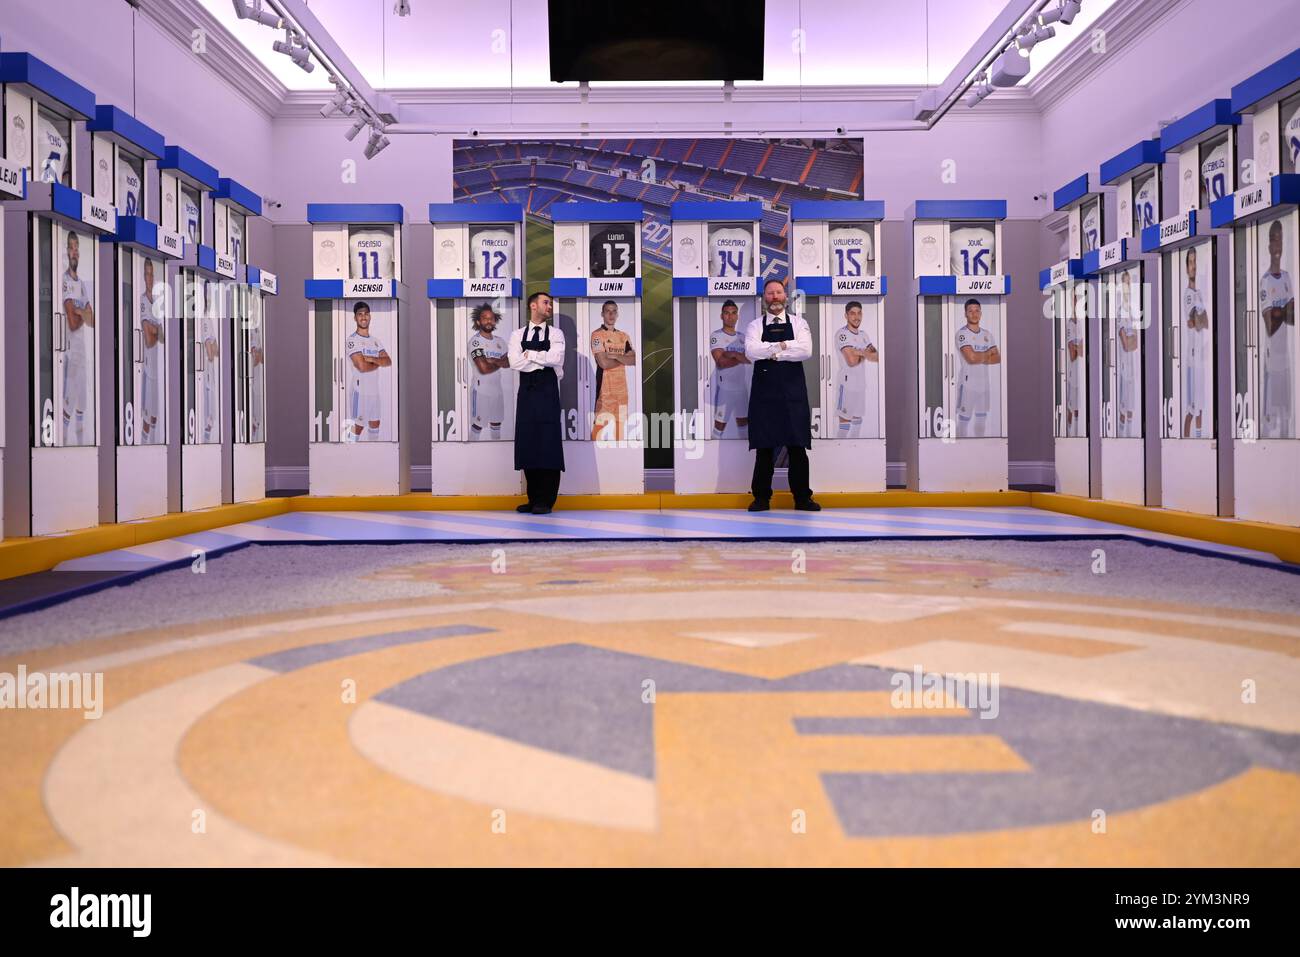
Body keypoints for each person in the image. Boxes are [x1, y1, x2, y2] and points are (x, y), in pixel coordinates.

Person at [745, 277, 819, 512]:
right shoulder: (754, 326)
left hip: (793, 394)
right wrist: (785, 347)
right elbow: (751, 351)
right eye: (770, 293)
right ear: (764, 298)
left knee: (797, 447)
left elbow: (805, 350)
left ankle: (802, 498)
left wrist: (773, 352)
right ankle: (761, 498)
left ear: (786, 297)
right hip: (764, 396)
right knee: (764, 448)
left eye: (778, 292)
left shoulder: (799, 323)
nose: (775, 297)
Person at [509, 292, 566, 514]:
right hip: (527, 397)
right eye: (546, 302)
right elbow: (514, 362)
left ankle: (546, 500)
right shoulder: (516, 334)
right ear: (533, 306)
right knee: (529, 444)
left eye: (550, 303)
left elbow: (557, 359)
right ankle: (533, 499)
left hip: (548, 395)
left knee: (548, 445)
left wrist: (530, 354)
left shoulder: (556, 333)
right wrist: (542, 360)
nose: (549, 306)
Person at [1260, 219, 1295, 438]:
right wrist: (1284, 310)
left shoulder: (1287, 278)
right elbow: (1270, 325)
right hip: (1271, 362)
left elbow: (1293, 318)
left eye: (1280, 239)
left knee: (1287, 417)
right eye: (1274, 239)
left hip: (1287, 361)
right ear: (1269, 246)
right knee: (1271, 421)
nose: (1277, 245)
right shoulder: (1265, 281)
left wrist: (1278, 311)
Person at [345, 301, 391, 441]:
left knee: (375, 423)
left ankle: (373, 457)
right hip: (359, 392)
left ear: (370, 316)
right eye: (360, 314)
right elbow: (362, 367)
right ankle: (347, 455)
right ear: (355, 318)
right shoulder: (352, 340)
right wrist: (378, 361)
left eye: (366, 314)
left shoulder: (375, 341)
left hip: (374, 392)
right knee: (356, 427)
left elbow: (388, 361)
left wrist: (371, 358)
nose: (363, 317)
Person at [955, 298, 1000, 438]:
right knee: (963, 422)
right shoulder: (962, 334)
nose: (974, 314)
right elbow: (971, 358)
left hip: (984, 386)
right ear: (965, 314)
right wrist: (987, 354)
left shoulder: (987, 335)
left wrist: (978, 355)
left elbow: (997, 358)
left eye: (977, 311)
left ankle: (979, 452)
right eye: (970, 311)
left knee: (981, 421)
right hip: (967, 385)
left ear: (981, 313)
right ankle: (961, 450)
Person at [590, 300, 635, 440]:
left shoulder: (624, 336)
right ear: (602, 314)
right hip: (604, 391)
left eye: (614, 311)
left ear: (617, 314)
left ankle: (619, 462)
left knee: (619, 435)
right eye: (608, 311)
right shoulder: (597, 335)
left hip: (621, 392)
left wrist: (614, 355)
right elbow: (603, 363)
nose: (611, 314)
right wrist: (622, 358)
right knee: (597, 435)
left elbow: (633, 360)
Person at [834, 300, 878, 438]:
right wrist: (865, 353)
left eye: (859, 313)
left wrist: (857, 351)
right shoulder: (842, 334)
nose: (856, 317)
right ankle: (840, 453)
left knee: (858, 421)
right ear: (846, 315)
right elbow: (851, 361)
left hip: (860, 385)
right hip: (846, 386)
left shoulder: (864, 335)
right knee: (845, 424)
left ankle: (854, 455)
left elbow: (876, 356)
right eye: (852, 313)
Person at [468, 303, 510, 441]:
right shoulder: (475, 342)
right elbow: (484, 369)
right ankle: (471, 454)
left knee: (496, 424)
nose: (488, 321)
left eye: (491, 318)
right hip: (480, 391)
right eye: (485, 318)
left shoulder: (500, 342)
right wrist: (499, 361)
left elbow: (509, 362)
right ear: (478, 321)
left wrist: (492, 360)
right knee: (478, 425)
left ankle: (494, 456)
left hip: (497, 390)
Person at [710, 299, 750, 439]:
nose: (730, 316)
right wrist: (739, 356)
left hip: (741, 390)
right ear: (721, 316)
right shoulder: (716, 336)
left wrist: (732, 354)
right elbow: (721, 362)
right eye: (726, 313)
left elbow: (749, 359)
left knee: (744, 425)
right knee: (719, 427)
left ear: (737, 316)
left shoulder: (742, 337)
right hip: (725, 390)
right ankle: (711, 459)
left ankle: (743, 458)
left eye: (733, 313)